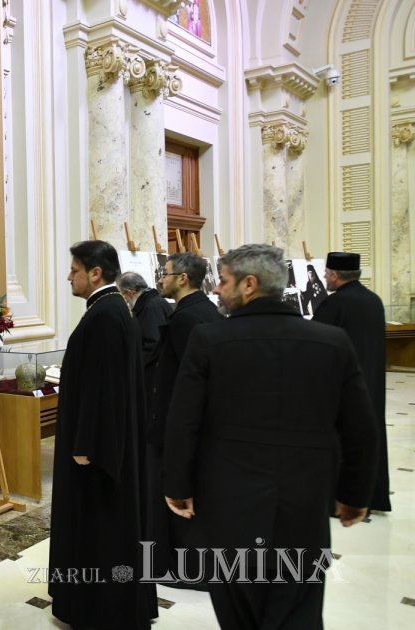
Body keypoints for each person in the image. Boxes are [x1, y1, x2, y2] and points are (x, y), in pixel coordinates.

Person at [164, 244, 377, 628]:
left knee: (238, 608)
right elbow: (360, 430)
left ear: (249, 284)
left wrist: (179, 485)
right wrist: (354, 496)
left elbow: (184, 422)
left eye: (223, 281)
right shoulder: (331, 342)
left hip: (230, 506)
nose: (216, 290)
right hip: (305, 505)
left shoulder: (209, 341)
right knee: (297, 607)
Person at [50, 240, 157, 629]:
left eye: (74, 270)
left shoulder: (106, 316)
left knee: (102, 531)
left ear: (95, 273)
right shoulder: (111, 310)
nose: (68, 276)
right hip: (102, 445)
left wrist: (85, 446)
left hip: (95, 453)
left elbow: (103, 389)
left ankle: (101, 607)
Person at [142, 251, 222, 588]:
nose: (161, 278)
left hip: (177, 423)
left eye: (167, 273)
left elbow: (183, 380)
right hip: (189, 423)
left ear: (183, 279)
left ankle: (184, 568)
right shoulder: (203, 311)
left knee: (174, 493)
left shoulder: (188, 319)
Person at [312, 251, 390, 514]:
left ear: (334, 275)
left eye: (326, 273)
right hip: (372, 380)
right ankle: (373, 495)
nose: (324, 276)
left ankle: (338, 498)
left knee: (342, 438)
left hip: (341, 385)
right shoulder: (373, 300)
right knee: (370, 433)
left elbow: (316, 342)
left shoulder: (334, 304)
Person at [117, 271, 173, 366]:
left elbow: (152, 344)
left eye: (123, 295)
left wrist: (134, 366)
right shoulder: (154, 301)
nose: (124, 299)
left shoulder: (150, 307)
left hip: (154, 371)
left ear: (130, 292)